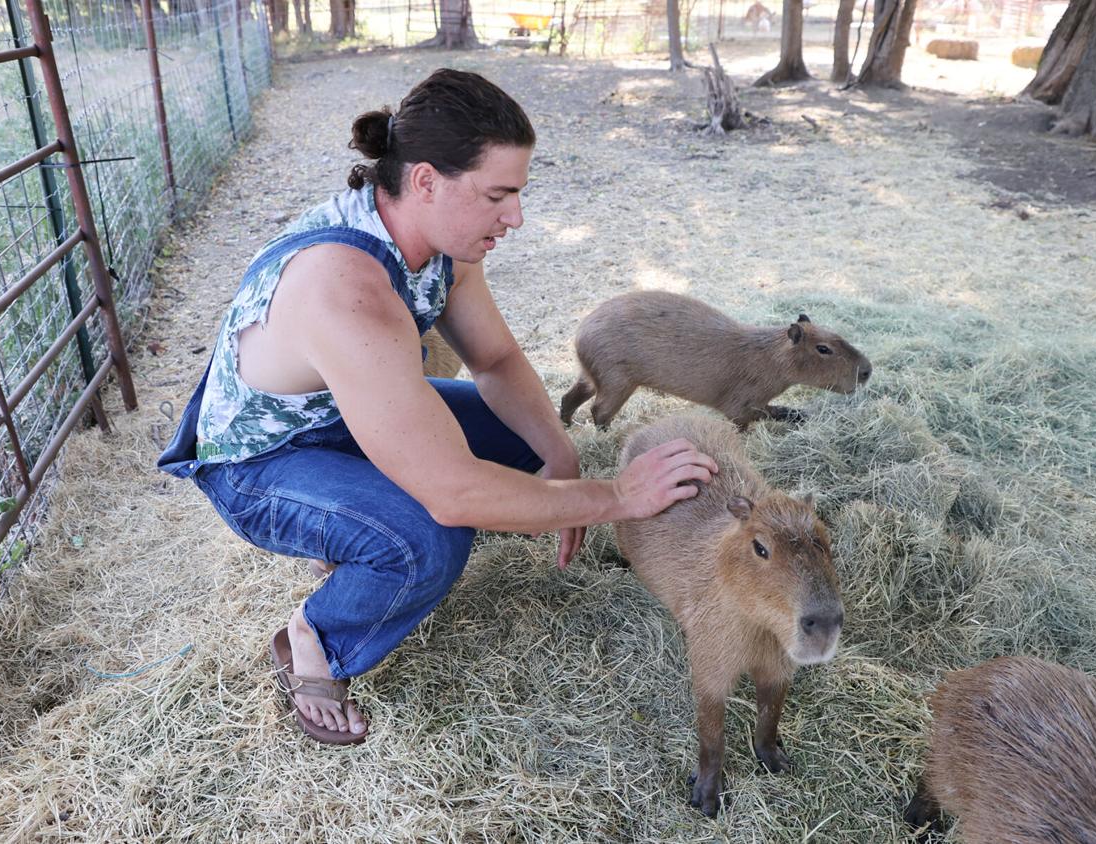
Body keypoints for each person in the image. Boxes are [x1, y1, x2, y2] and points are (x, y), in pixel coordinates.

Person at [158, 69, 718, 745]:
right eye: (498, 195)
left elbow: (496, 360)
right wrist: (617, 497)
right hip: (261, 462)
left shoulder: (443, 242)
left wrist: (561, 457)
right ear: (426, 181)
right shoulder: (345, 287)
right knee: (426, 538)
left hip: (346, 411)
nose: (515, 217)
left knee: (526, 441)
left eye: (518, 193)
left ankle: (353, 528)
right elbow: (453, 496)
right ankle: (316, 637)